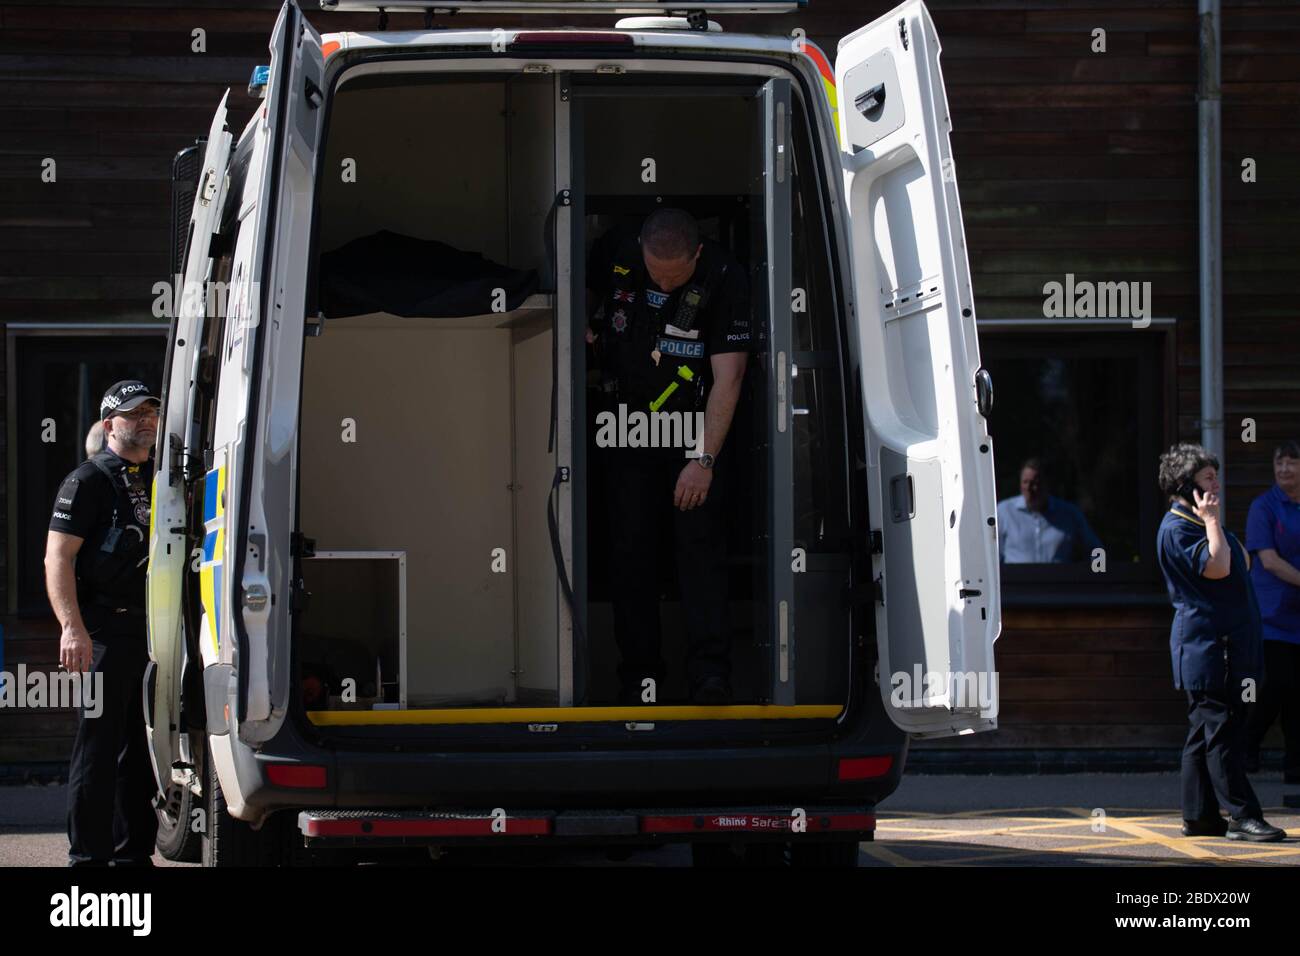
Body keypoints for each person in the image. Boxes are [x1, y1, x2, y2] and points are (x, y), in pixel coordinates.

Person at [586, 208, 751, 704]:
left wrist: (703, 461)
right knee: (630, 556)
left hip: (692, 435)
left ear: (696, 254)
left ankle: (710, 677)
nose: (663, 283)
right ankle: (639, 680)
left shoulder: (724, 275)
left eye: (674, 276)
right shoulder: (616, 251)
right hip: (625, 429)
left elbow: (730, 378)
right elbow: (576, 297)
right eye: (655, 272)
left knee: (699, 555)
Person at [45, 380, 162, 865]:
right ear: (110, 424)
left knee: (141, 751)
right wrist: (72, 629)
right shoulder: (87, 480)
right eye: (135, 414)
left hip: (153, 635)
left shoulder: (162, 479)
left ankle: (133, 855)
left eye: (152, 412)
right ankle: (87, 861)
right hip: (103, 635)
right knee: (98, 750)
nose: (147, 421)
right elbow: (57, 558)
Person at [1155, 442, 1285, 841]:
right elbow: (1219, 566)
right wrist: (1213, 523)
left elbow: (1242, 560)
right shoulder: (1179, 528)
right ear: (1186, 486)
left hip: (1225, 645)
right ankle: (1244, 816)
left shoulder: (1198, 523)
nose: (1217, 484)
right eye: (1208, 478)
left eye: (1216, 475)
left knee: (1201, 735)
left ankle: (1199, 817)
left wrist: (1213, 524)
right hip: (1208, 649)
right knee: (1222, 733)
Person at [1244, 440, 1300, 781]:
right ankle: (1248, 745)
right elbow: (1268, 560)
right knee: (1281, 684)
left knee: (1297, 689)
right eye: (1279, 463)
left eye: (1292, 462)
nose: (1285, 469)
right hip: (1273, 614)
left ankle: (1293, 764)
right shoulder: (1263, 507)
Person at [996, 457, 1102, 563]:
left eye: (1035, 483)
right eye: (1025, 482)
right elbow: (991, 553)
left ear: (1047, 484)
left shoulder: (1069, 513)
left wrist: (1098, 574)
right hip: (1015, 578)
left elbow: (1095, 548)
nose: (1029, 488)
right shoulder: (1004, 511)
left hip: (1057, 577)